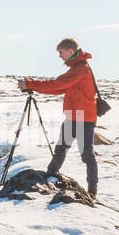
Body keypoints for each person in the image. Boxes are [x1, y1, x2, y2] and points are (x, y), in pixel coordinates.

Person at [18, 38, 99, 198]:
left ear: (70, 51)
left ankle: (92, 190)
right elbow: (58, 89)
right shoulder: (77, 68)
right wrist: (33, 86)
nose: (60, 57)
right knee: (61, 149)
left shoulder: (81, 69)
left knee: (87, 154)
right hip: (73, 116)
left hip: (83, 118)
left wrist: (31, 84)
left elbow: (57, 84)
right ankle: (50, 176)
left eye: (61, 53)